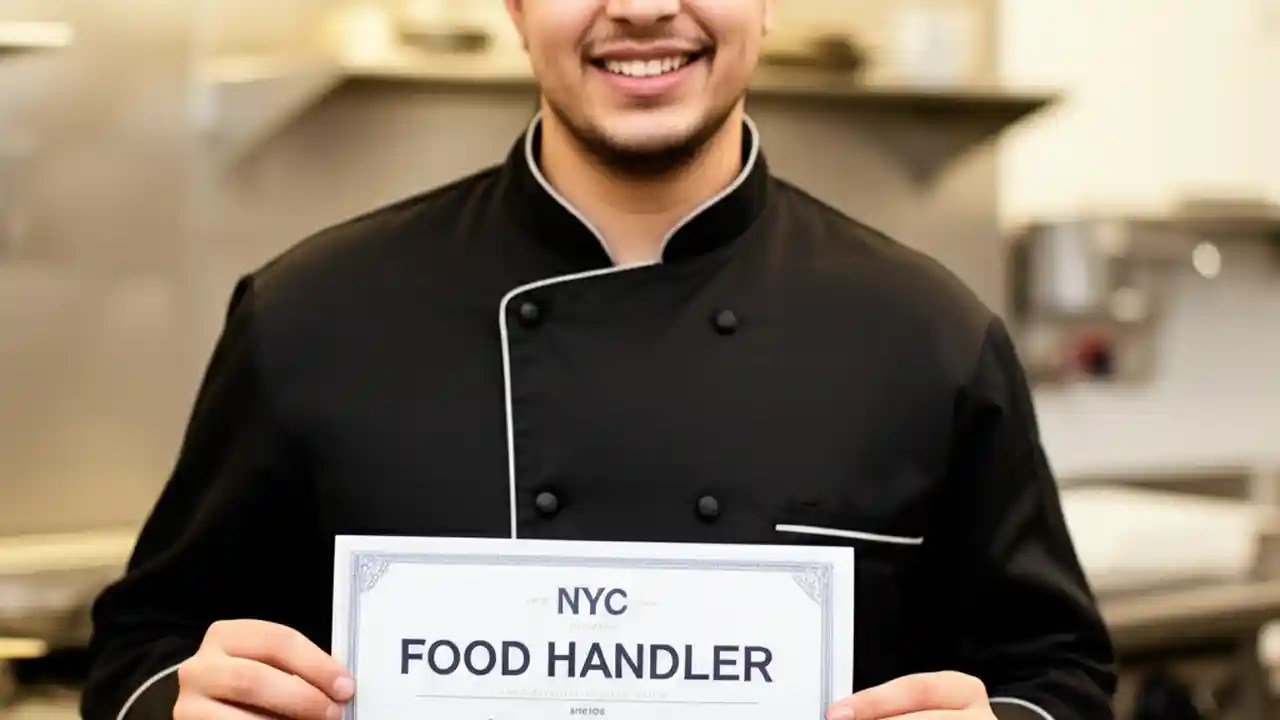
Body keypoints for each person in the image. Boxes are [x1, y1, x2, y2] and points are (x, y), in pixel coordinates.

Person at [81, 1, 1116, 719]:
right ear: (516, 5)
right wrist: (184, 700)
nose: (641, 8)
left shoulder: (927, 334)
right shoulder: (310, 315)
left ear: (766, 6)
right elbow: (141, 650)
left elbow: (1056, 672)